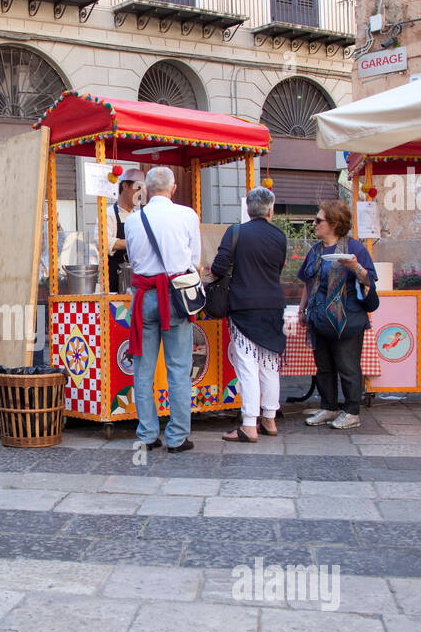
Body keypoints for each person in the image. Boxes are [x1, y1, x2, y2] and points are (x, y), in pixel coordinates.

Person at [123, 166, 200, 452]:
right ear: (173, 188)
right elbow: (194, 259)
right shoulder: (187, 215)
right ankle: (178, 436)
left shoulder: (133, 220)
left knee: (142, 369)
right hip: (175, 297)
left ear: (145, 190)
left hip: (144, 297)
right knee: (178, 369)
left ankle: (146, 434)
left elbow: (132, 258)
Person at [212, 186, 287, 442]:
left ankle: (248, 424)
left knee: (247, 365)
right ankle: (269, 419)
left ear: (248, 209)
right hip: (273, 305)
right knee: (269, 364)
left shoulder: (236, 232)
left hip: (244, 305)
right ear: (271, 209)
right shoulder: (279, 236)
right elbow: (277, 268)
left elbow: (219, 267)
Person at [297, 199, 378, 429]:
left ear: (333, 224)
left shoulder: (355, 248)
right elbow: (307, 281)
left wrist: (355, 267)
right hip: (319, 318)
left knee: (348, 366)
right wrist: (302, 309)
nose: (314, 223)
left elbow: (368, 279)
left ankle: (352, 412)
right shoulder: (316, 250)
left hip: (347, 320)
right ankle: (329, 407)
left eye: (318, 220)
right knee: (323, 366)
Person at [106, 168, 145, 292]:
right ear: (125, 186)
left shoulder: (140, 216)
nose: (141, 193)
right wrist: (133, 243)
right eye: (138, 188)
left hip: (139, 277)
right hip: (115, 278)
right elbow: (104, 242)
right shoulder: (108, 214)